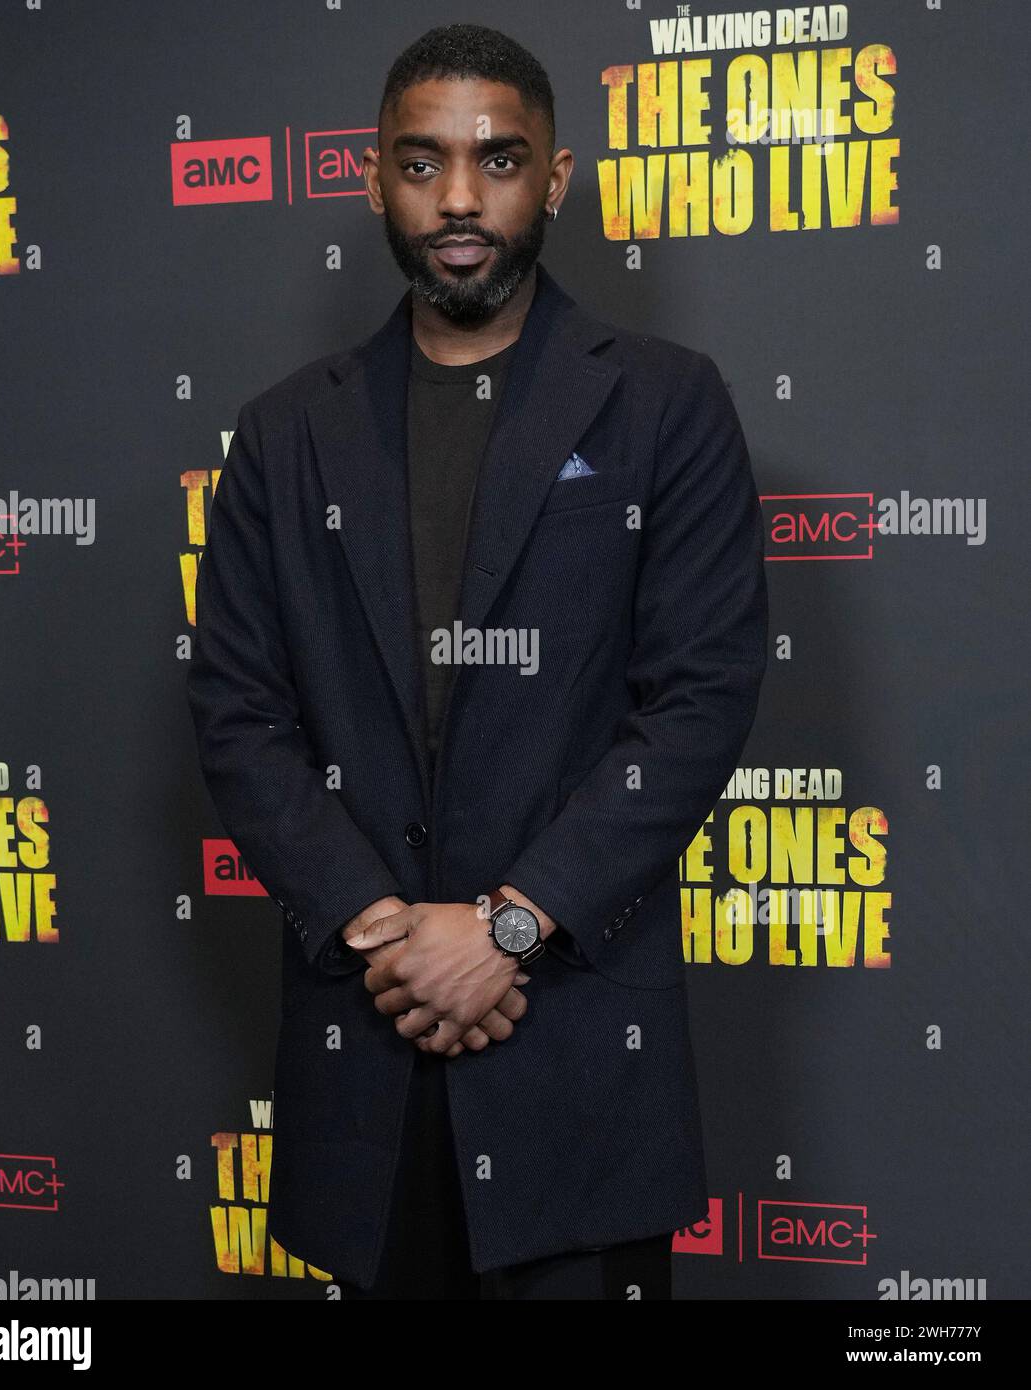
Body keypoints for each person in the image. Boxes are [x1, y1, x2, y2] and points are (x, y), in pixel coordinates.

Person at [187, 22, 768, 1300]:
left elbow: (701, 695)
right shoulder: (285, 434)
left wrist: (509, 925)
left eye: (498, 160)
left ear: (553, 179)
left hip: (572, 1052)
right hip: (366, 1049)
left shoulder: (666, 402)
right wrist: (382, 927)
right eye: (423, 161)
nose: (460, 198)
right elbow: (237, 708)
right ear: (372, 178)